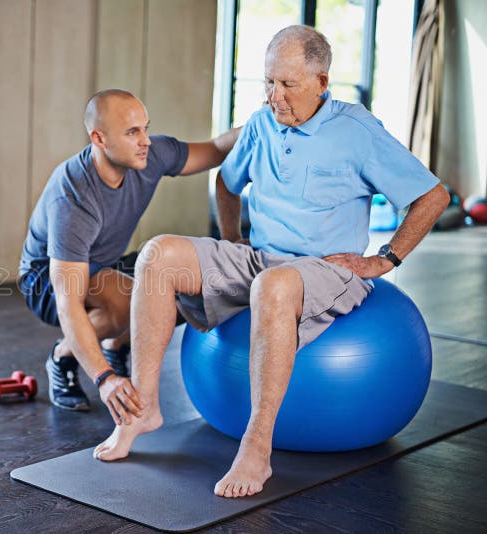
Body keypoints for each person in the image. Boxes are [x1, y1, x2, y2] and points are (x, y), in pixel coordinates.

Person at [92, 25, 450, 498]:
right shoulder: (261, 123)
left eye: (287, 84)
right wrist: (232, 240)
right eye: (268, 81)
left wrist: (385, 259)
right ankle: (143, 410)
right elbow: (227, 183)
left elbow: (432, 195)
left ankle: (257, 447)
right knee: (158, 254)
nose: (274, 96)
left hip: (326, 268)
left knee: (273, 285)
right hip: (261, 259)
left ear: (322, 82)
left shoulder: (357, 130)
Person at [18, 89, 240, 422]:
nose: (145, 141)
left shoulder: (151, 154)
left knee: (182, 286)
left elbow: (216, 150)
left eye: (146, 128)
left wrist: (262, 122)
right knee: (132, 301)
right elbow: (68, 304)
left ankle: (115, 344)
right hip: (45, 279)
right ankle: (62, 357)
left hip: (105, 263)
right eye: (132, 132)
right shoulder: (73, 197)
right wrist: (104, 379)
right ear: (99, 138)